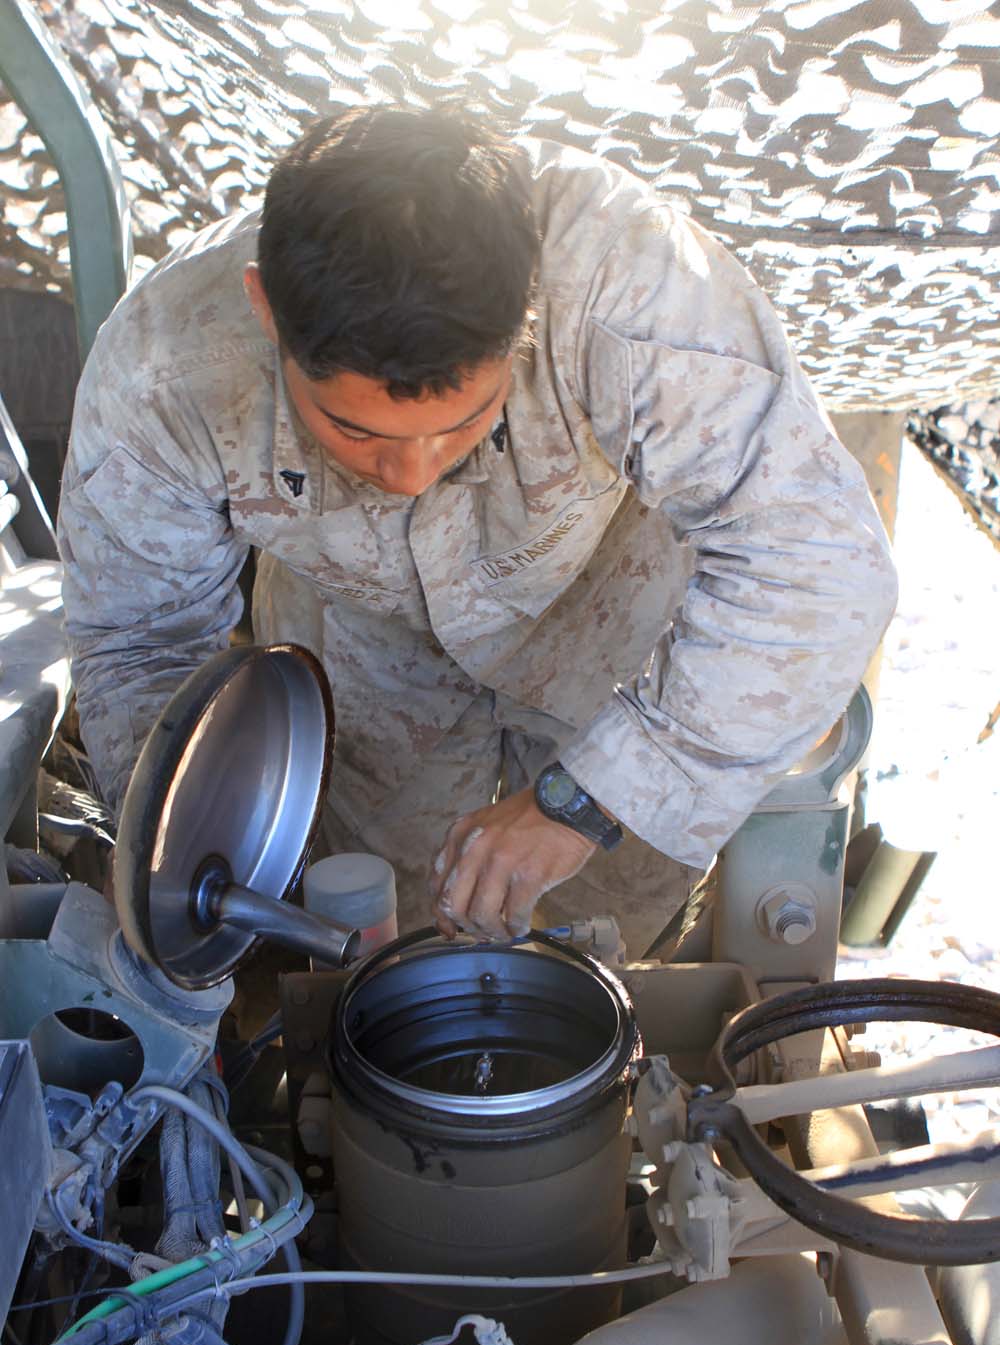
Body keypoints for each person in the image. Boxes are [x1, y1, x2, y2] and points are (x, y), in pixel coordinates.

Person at [57, 104, 897, 954]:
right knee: (386, 936)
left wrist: (597, 798)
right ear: (265, 310)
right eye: (356, 433)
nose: (412, 474)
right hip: (363, 650)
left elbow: (816, 563)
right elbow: (138, 639)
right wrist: (181, 861)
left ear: (531, 315)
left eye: (463, 423)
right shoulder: (163, 369)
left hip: (608, 623)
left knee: (602, 942)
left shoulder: (632, 287)